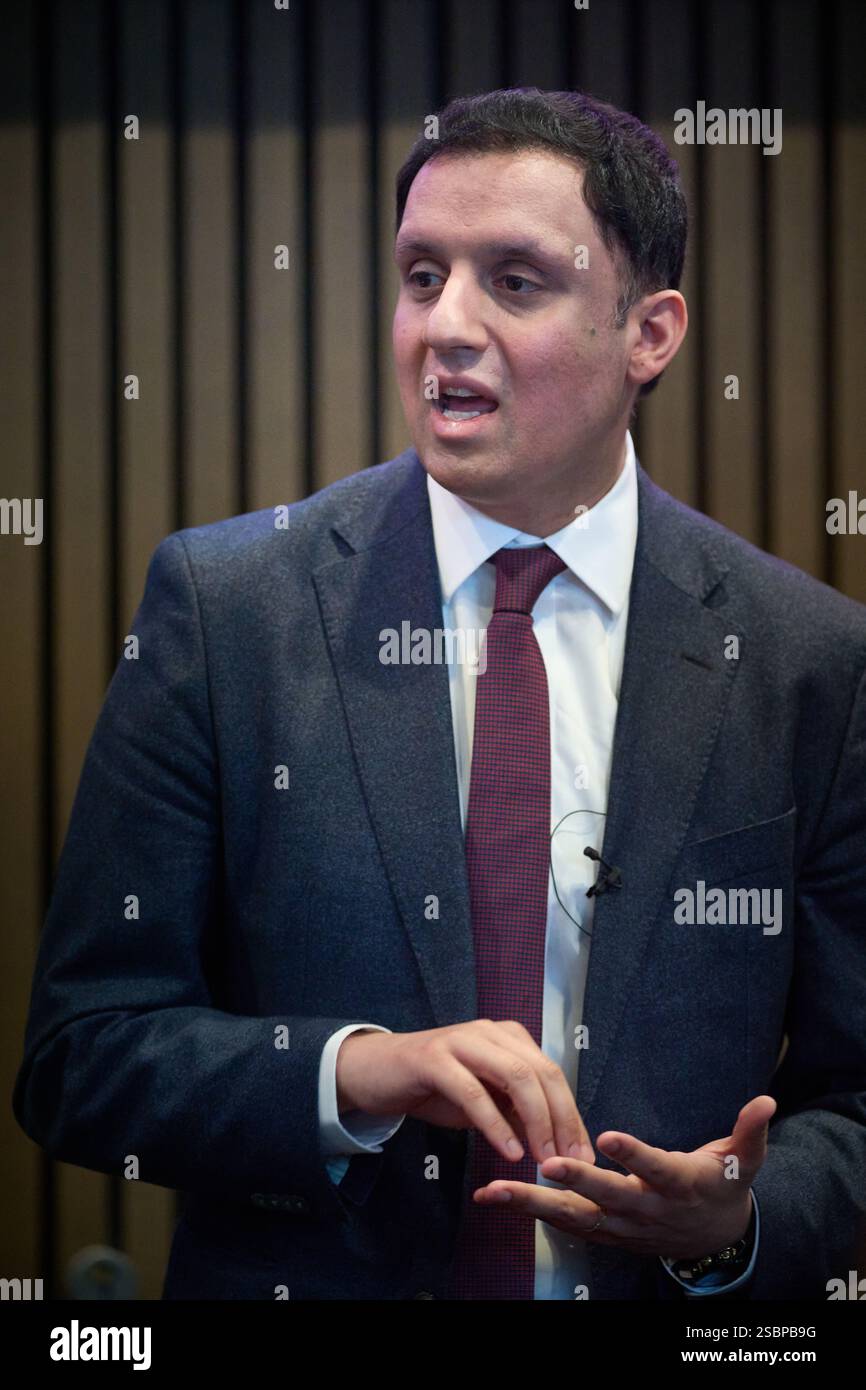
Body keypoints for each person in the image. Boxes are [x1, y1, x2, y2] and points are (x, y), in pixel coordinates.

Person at [14, 88, 866, 1301]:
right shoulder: (229, 609)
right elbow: (80, 1058)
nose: (443, 326)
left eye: (513, 282)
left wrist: (727, 1225)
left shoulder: (807, 661)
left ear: (650, 333)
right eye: (421, 275)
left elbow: (854, 1106)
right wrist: (354, 1072)